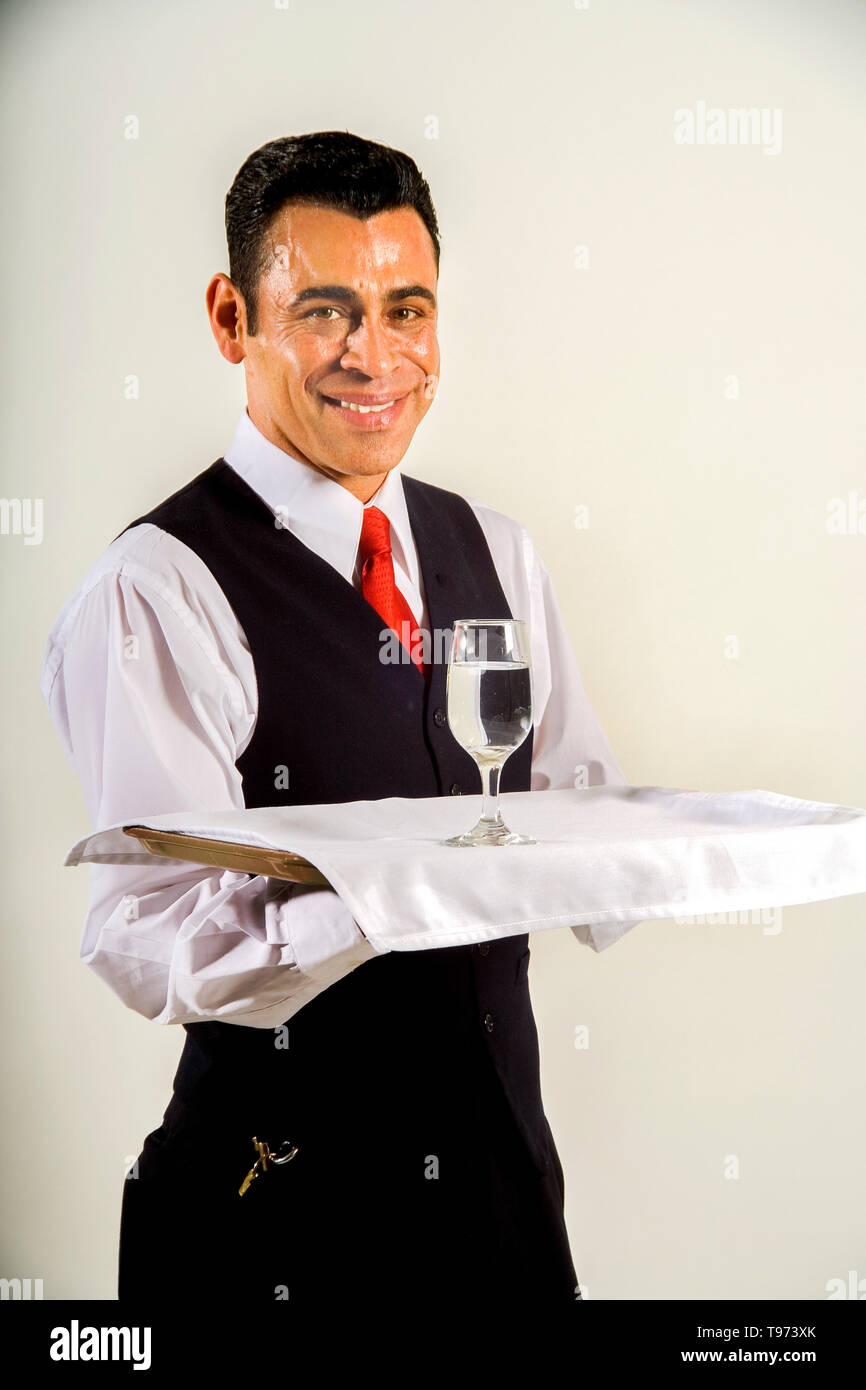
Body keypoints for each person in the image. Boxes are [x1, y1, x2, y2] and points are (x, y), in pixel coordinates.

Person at [41, 131, 632, 1319]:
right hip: (277, 1223)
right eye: (325, 311)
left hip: (503, 1199)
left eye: (406, 310)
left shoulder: (496, 551)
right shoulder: (161, 587)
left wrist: (659, 858)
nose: (377, 356)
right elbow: (153, 930)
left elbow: (573, 807)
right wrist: (391, 897)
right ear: (230, 318)